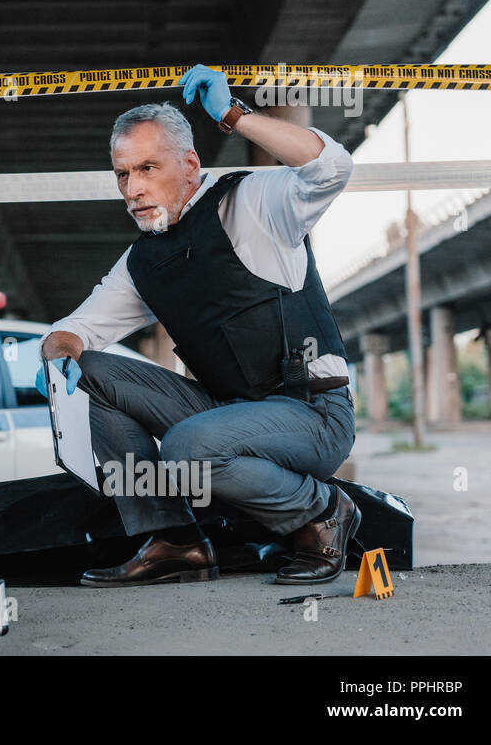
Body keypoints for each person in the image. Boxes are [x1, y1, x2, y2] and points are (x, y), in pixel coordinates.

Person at [37, 64, 358, 588]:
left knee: (188, 447)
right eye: (123, 174)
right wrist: (57, 355)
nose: (133, 188)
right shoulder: (143, 261)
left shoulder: (252, 201)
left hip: (312, 415)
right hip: (227, 414)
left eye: (147, 168)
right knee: (90, 371)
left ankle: (320, 511)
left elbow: (333, 168)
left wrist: (233, 114)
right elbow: (77, 329)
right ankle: (175, 541)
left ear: (189, 164)